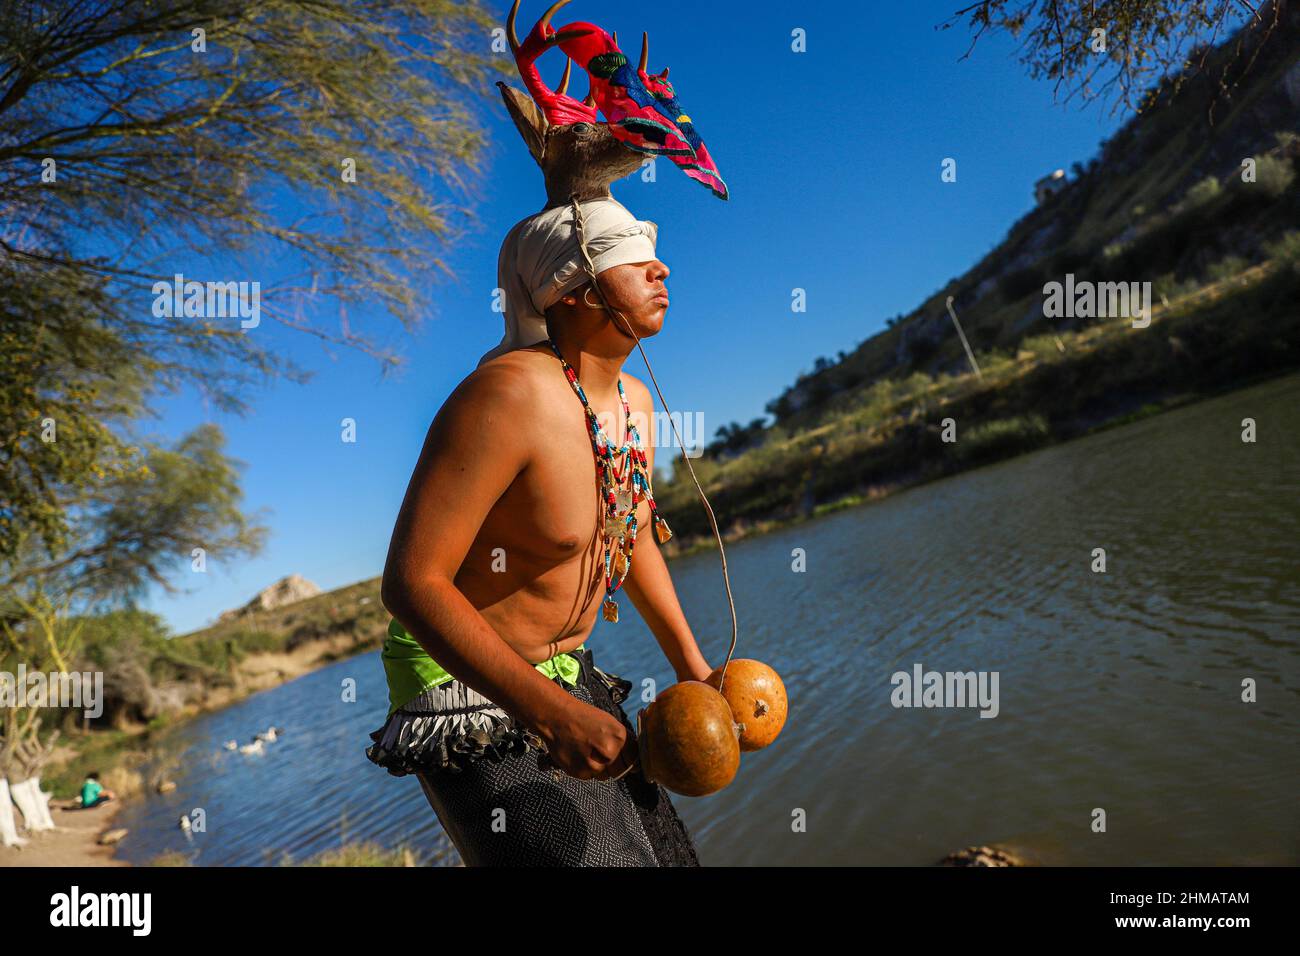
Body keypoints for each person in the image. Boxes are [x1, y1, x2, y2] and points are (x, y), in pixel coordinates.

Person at [366, 196, 711, 866]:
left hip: (564, 667)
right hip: (466, 682)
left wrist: (693, 669)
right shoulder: (507, 396)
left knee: (661, 854)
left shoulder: (634, 403)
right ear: (573, 291)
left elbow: (628, 540)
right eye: (634, 262)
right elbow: (411, 583)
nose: (662, 270)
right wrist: (547, 714)